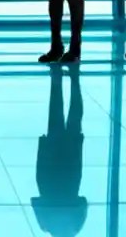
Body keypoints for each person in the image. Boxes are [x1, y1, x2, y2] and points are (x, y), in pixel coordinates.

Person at [32, 68, 88, 237]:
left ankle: (73, 79)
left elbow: (82, 202)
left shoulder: (76, 226)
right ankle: (58, 80)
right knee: (55, 116)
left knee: (74, 118)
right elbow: (36, 201)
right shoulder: (45, 224)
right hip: (49, 172)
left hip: (70, 174)